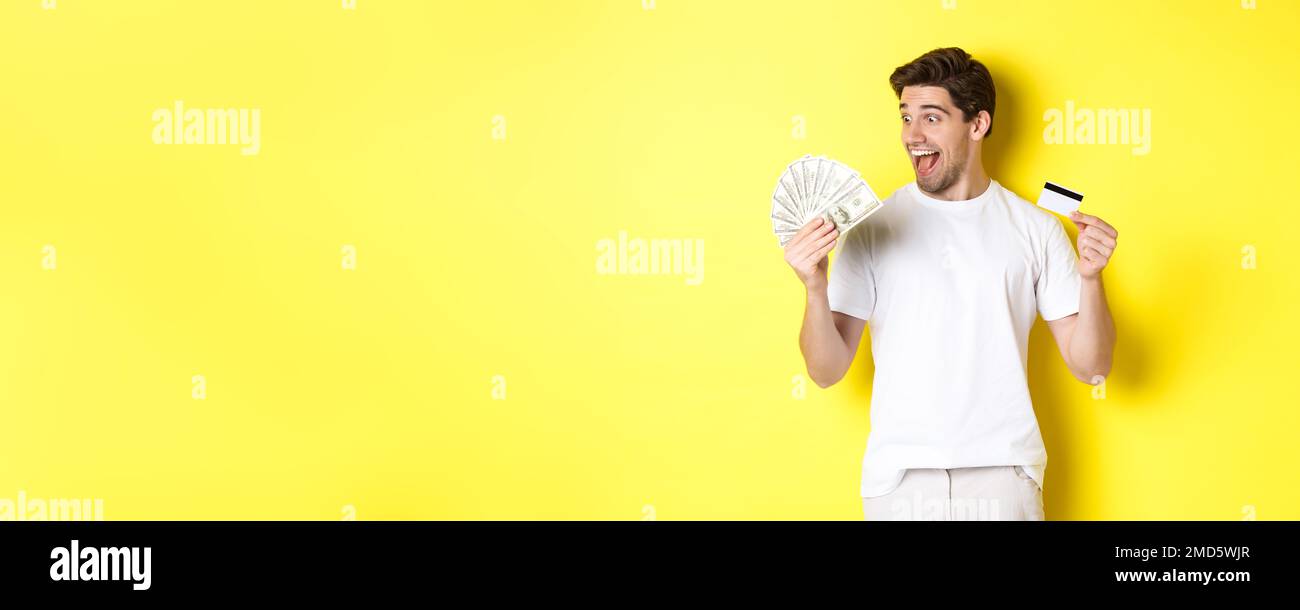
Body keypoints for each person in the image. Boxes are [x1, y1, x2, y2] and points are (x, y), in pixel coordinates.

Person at [783, 47, 1118, 520]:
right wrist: (815, 286)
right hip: (900, 482)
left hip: (1003, 475)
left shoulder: (1036, 229)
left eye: (931, 118)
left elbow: (1092, 367)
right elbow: (825, 371)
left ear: (977, 124)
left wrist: (1091, 279)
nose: (912, 135)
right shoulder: (871, 228)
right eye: (906, 118)